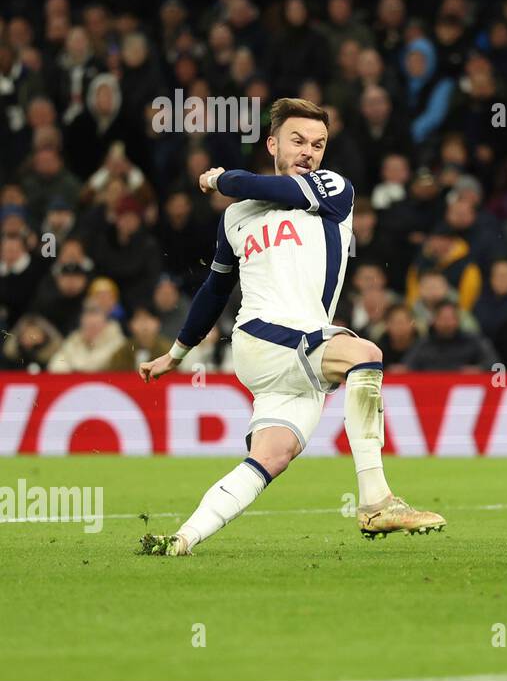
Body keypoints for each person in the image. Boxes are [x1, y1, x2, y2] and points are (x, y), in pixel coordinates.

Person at [136, 98, 445, 556]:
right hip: (263, 338)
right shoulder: (236, 217)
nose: (309, 152)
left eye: (318, 144)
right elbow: (214, 291)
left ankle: (182, 538)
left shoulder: (332, 189)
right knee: (366, 355)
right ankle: (376, 501)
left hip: (301, 356)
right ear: (273, 143)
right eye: (298, 141)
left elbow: (252, 184)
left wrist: (221, 178)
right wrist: (177, 353)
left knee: (270, 456)